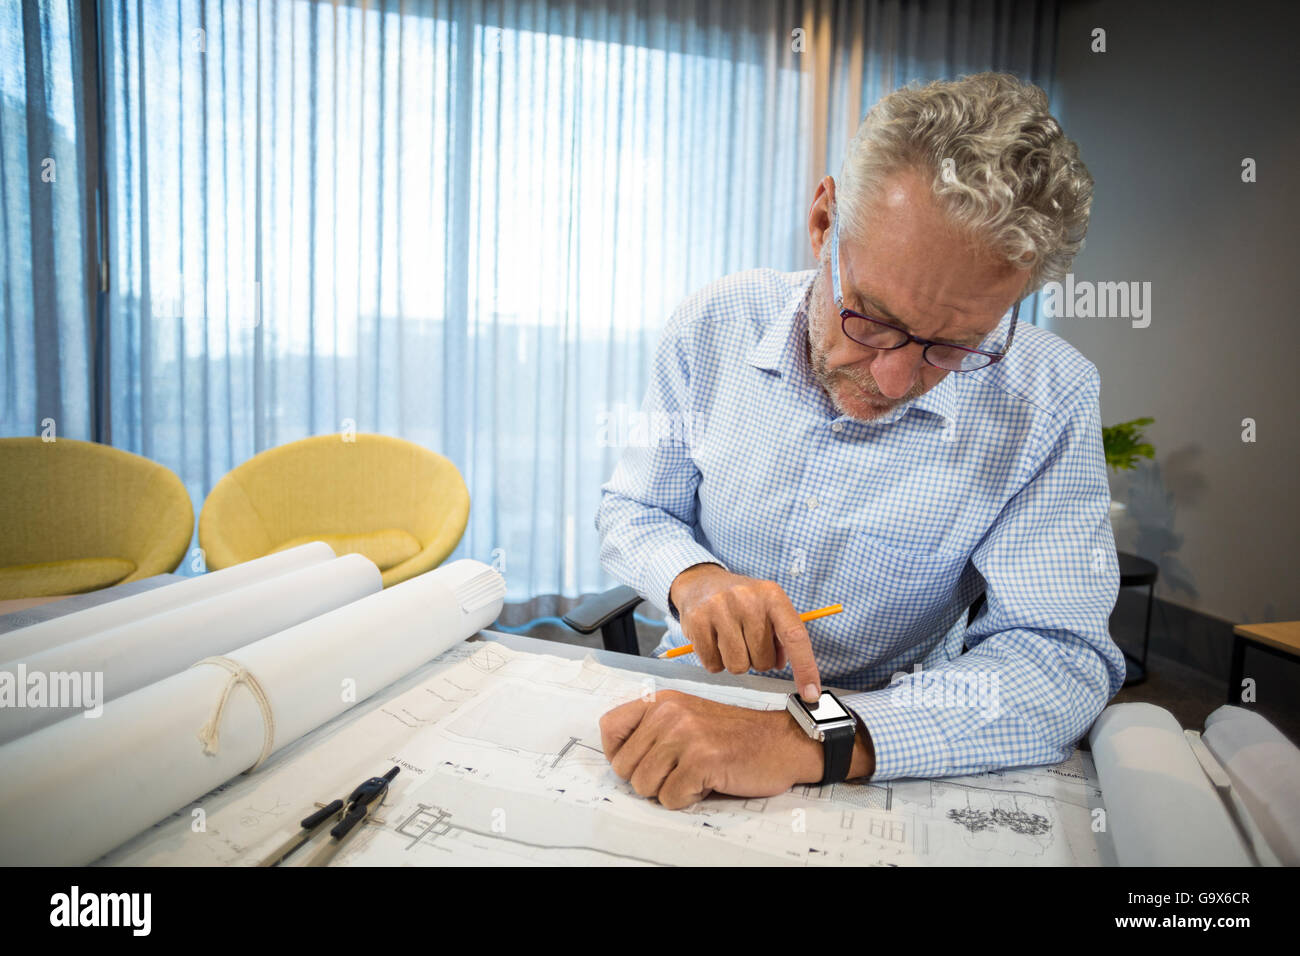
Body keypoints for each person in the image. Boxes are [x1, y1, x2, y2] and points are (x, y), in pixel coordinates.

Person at [594, 72, 1125, 810]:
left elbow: (1059, 660)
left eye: (954, 346)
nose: (897, 377)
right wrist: (695, 579)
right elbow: (633, 509)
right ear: (823, 223)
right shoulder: (714, 324)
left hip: (883, 753)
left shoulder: (1048, 397)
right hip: (687, 705)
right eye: (870, 318)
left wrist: (807, 738)